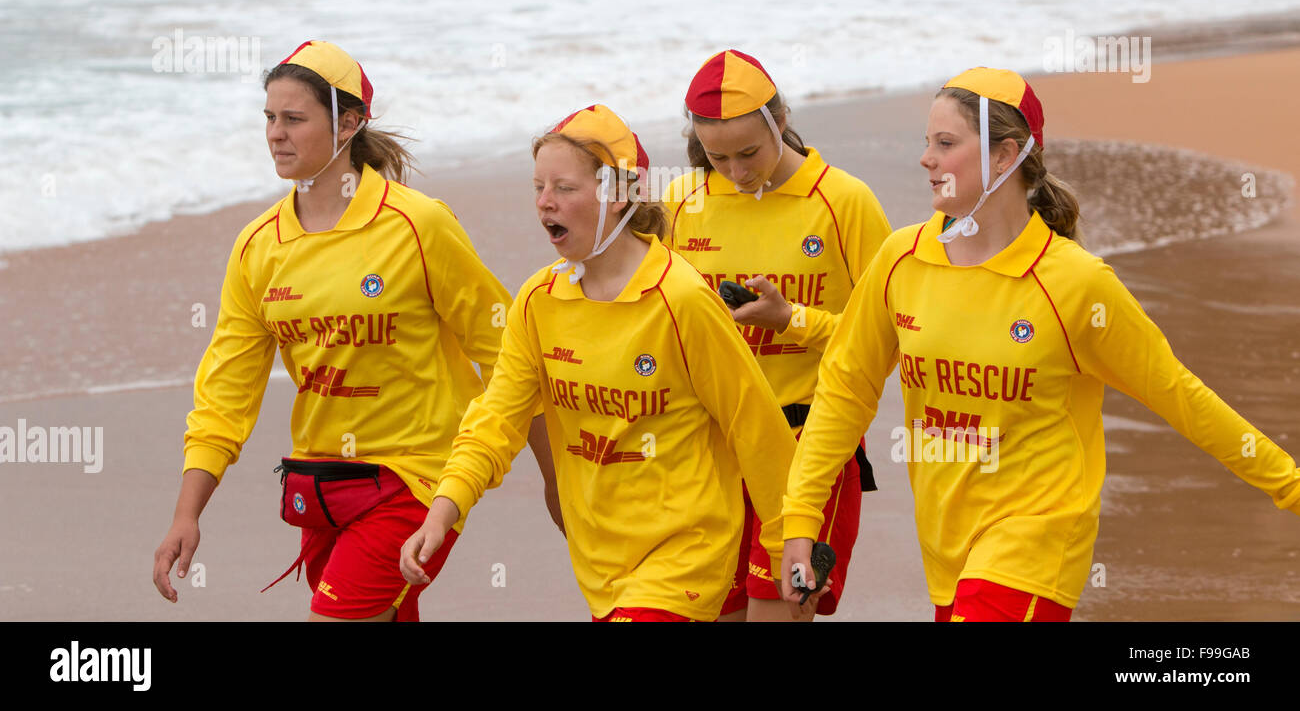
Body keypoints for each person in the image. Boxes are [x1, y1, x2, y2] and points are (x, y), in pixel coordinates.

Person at [782, 66, 1300, 621]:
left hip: (1038, 540)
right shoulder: (900, 261)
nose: (926, 159)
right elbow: (844, 390)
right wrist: (800, 521)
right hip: (947, 547)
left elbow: (1176, 392)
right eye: (927, 142)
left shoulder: (1075, 284)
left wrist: (1289, 486)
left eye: (946, 143)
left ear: (1005, 157)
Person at [150, 40, 544, 622]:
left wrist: (556, 479)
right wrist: (187, 514)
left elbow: (510, 355)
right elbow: (225, 394)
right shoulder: (259, 247)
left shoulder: (417, 225)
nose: (275, 134)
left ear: (349, 124)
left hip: (416, 480)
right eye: (269, 118)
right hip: (321, 486)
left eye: (294, 118)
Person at [399, 104, 797, 621]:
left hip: (686, 553)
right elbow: (495, 419)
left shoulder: (681, 298)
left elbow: (754, 425)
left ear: (621, 194)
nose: (545, 203)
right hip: (599, 561)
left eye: (564, 188)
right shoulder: (537, 301)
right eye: (538, 187)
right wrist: (444, 508)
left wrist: (790, 540)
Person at [661, 49, 891, 622]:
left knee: (780, 612)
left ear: (780, 121)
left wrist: (793, 320)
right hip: (713, 453)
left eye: (749, 153)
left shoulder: (845, 202)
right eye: (717, 158)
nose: (736, 173)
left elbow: (889, 343)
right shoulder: (679, 203)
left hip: (809, 445)